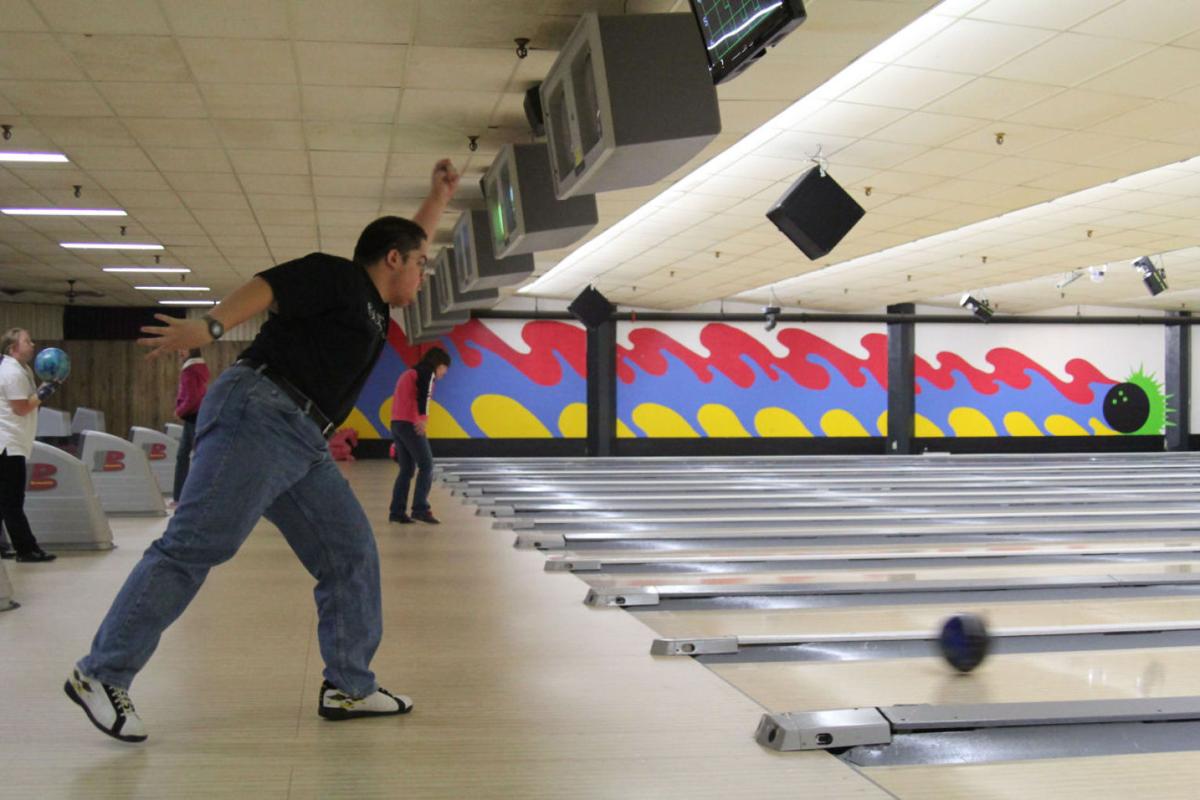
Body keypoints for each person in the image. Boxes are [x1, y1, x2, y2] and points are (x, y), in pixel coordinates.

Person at [64, 159, 460, 744]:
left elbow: (414, 236)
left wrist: (439, 195)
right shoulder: (339, 276)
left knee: (349, 552)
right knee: (196, 546)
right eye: (420, 264)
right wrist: (212, 327)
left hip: (304, 439)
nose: (424, 274)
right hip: (262, 410)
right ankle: (101, 673)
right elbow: (273, 283)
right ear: (392, 259)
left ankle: (348, 685)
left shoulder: (376, 306)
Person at [0, 328, 60, 563]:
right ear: (13, 348)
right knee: (13, 501)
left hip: (13, 442)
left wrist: (46, 388)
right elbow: (22, 407)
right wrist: (48, 389)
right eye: (27, 341)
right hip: (8, 444)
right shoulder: (11, 372)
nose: (33, 344)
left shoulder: (22, 369)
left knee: (4, 499)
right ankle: (26, 550)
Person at [389, 347, 451, 525]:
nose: (444, 373)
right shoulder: (426, 372)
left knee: (407, 469)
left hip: (397, 423)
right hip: (410, 423)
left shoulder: (409, 372)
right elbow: (424, 396)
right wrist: (423, 419)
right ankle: (420, 509)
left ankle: (396, 512)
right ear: (439, 364)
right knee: (427, 465)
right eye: (444, 368)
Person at [171, 348, 209, 504]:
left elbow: (192, 398)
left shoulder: (189, 371)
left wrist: (179, 411)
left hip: (192, 416)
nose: (179, 352)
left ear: (191, 351)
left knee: (185, 457)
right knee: (192, 456)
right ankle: (181, 497)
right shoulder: (198, 369)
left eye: (183, 349)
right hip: (196, 416)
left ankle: (181, 497)